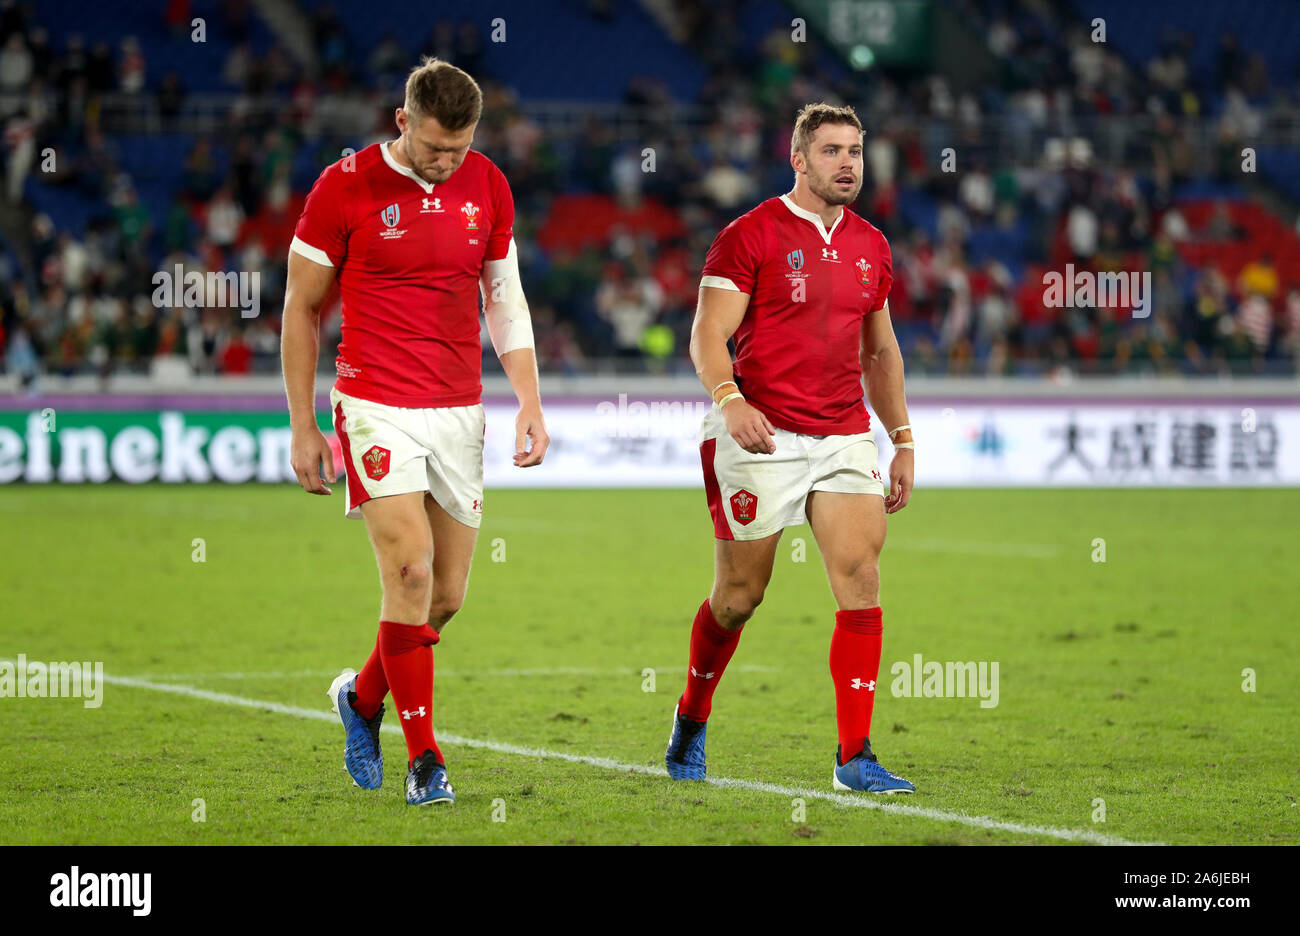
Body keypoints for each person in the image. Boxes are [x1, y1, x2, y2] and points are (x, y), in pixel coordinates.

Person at [281, 58, 548, 806]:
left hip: (459, 407)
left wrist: (529, 399)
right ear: (402, 122)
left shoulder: (488, 185)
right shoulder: (343, 186)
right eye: (433, 147)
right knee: (409, 573)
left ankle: (361, 698)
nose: (446, 162)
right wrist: (303, 424)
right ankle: (426, 761)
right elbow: (301, 308)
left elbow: (504, 297)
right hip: (374, 404)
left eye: (459, 148)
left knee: (444, 599)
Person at [665, 102, 917, 793]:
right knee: (739, 597)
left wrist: (901, 438)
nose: (847, 163)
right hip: (762, 431)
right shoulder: (749, 235)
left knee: (860, 578)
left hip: (842, 434)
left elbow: (880, 352)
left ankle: (854, 756)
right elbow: (707, 335)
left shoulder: (872, 246)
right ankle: (692, 714)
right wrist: (731, 401)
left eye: (855, 151)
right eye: (832, 151)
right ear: (798, 160)